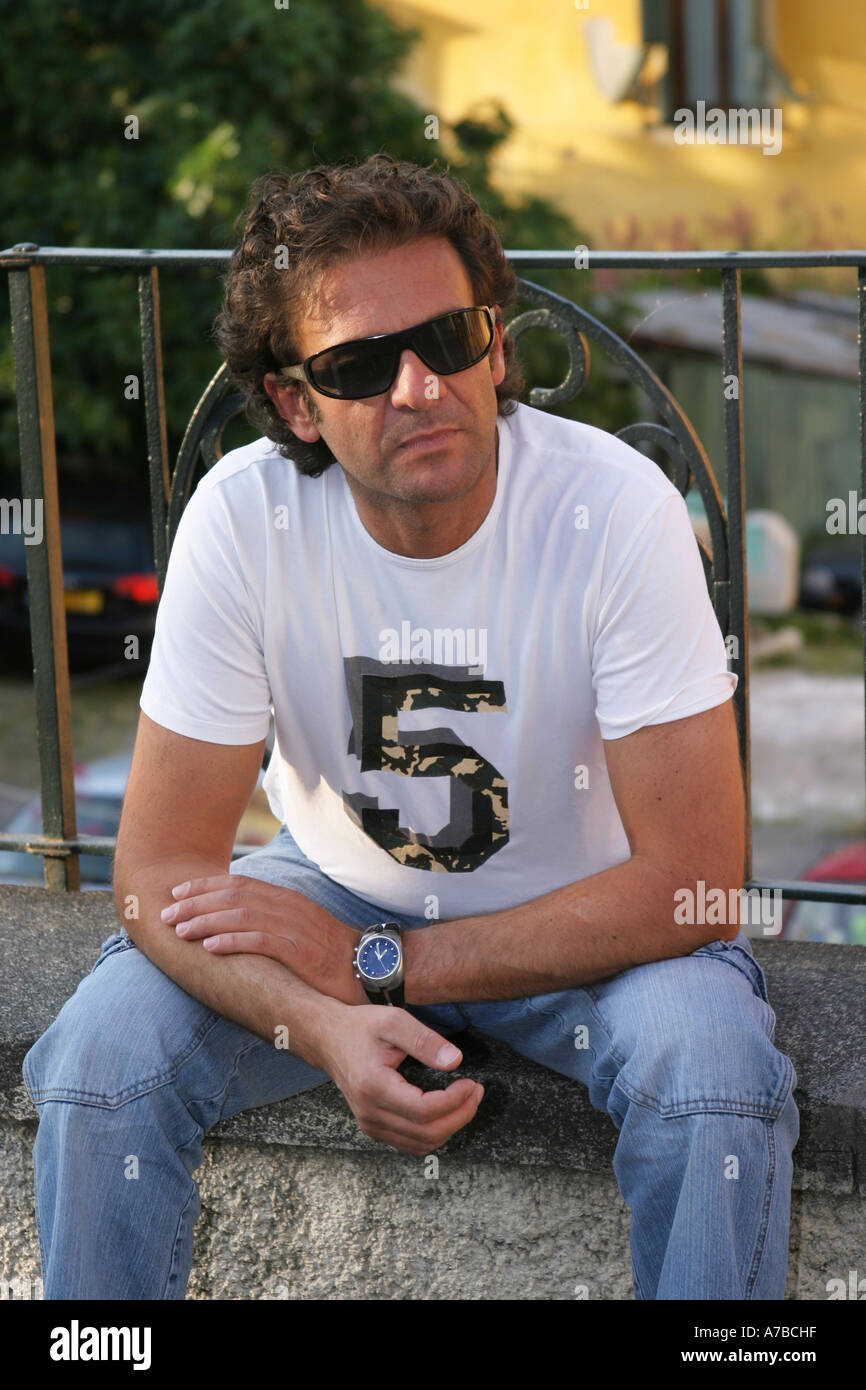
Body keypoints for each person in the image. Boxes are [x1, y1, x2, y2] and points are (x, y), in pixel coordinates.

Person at [22, 154, 799, 1301]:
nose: (418, 389)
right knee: (97, 1065)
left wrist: (376, 967)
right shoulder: (245, 516)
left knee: (713, 1079)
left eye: (445, 341)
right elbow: (155, 868)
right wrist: (323, 1020)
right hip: (336, 886)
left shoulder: (613, 509)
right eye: (355, 364)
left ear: (493, 347)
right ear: (295, 400)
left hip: (595, 926)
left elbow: (691, 879)